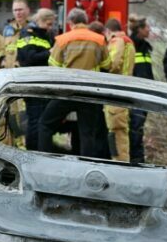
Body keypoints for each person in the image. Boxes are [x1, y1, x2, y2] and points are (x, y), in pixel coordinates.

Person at [38, 8, 112, 159]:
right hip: (90, 92)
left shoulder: (63, 39)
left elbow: (53, 65)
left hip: (67, 91)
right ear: (86, 21)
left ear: (71, 23)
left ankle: (43, 159)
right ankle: (86, 165)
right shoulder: (99, 39)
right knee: (87, 133)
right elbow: (108, 65)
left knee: (45, 124)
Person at [15, 8, 57, 151]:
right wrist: (49, 53)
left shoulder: (46, 34)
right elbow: (28, 58)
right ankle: (32, 151)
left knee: (42, 121)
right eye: (48, 24)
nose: (50, 27)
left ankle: (40, 150)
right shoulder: (28, 34)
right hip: (32, 82)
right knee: (35, 120)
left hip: (44, 83)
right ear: (40, 20)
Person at [103, 18, 135, 161]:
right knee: (121, 132)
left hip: (115, 92)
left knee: (116, 133)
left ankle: (120, 165)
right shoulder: (128, 41)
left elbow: (113, 64)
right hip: (123, 90)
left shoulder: (117, 40)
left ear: (108, 31)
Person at [129, 15, 154, 164]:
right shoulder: (132, 45)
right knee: (135, 127)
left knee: (138, 127)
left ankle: (137, 158)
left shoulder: (144, 46)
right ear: (139, 29)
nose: (149, 29)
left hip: (145, 92)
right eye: (147, 27)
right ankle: (136, 159)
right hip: (136, 92)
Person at [1, 0, 31, 68]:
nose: (18, 13)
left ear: (28, 10)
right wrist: (1, 60)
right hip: (8, 71)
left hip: (24, 72)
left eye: (20, 10)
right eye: (15, 10)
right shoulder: (7, 28)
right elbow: (2, 48)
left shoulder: (34, 28)